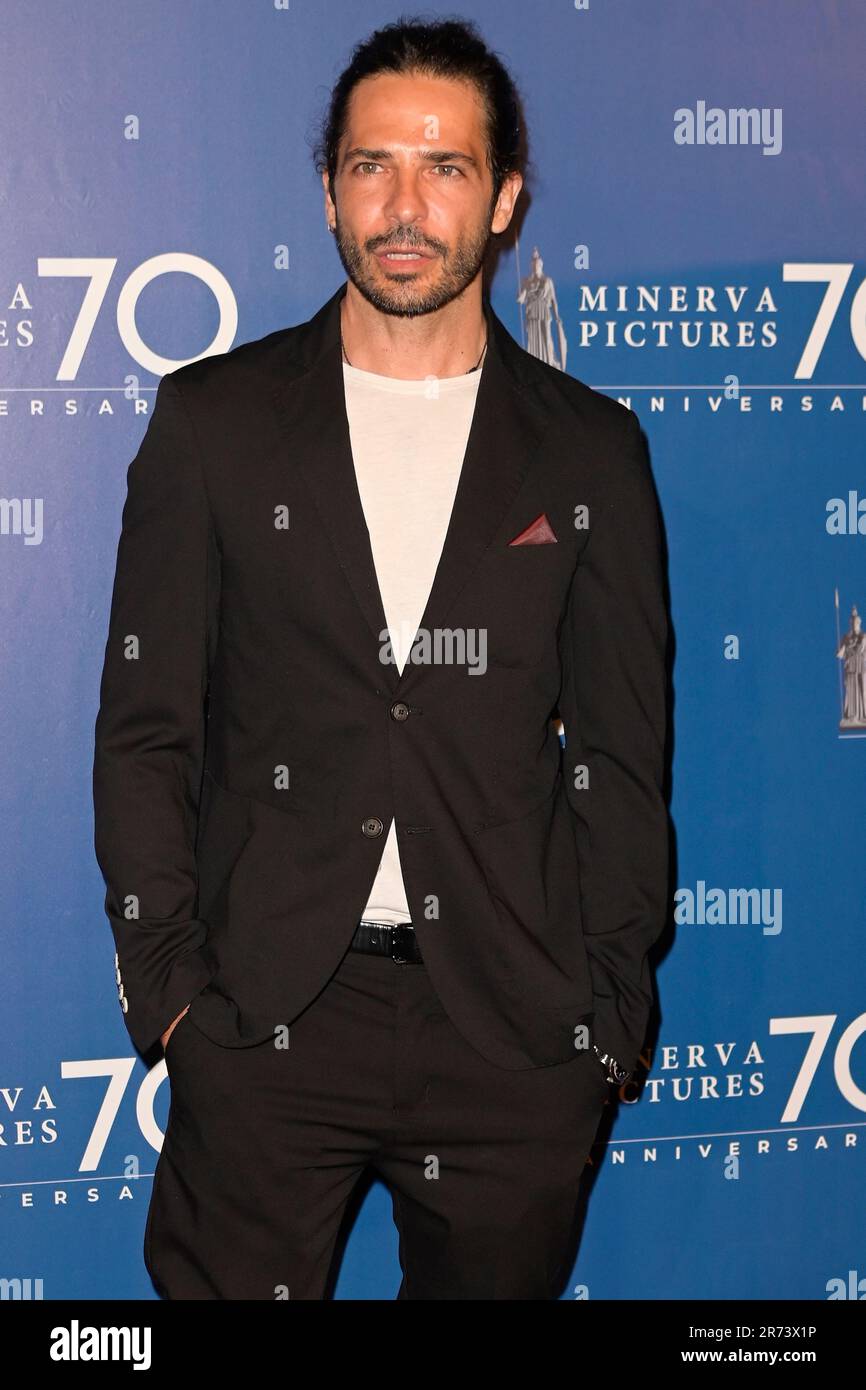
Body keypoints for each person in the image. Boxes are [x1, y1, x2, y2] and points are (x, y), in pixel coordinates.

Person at [93, 15, 670, 1300]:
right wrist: (176, 997)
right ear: (328, 189)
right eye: (371, 167)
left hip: (513, 1031)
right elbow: (145, 731)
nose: (404, 205)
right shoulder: (212, 425)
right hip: (264, 1018)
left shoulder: (588, 452)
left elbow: (623, 761)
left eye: (445, 167)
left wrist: (605, 1018)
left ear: (505, 195)